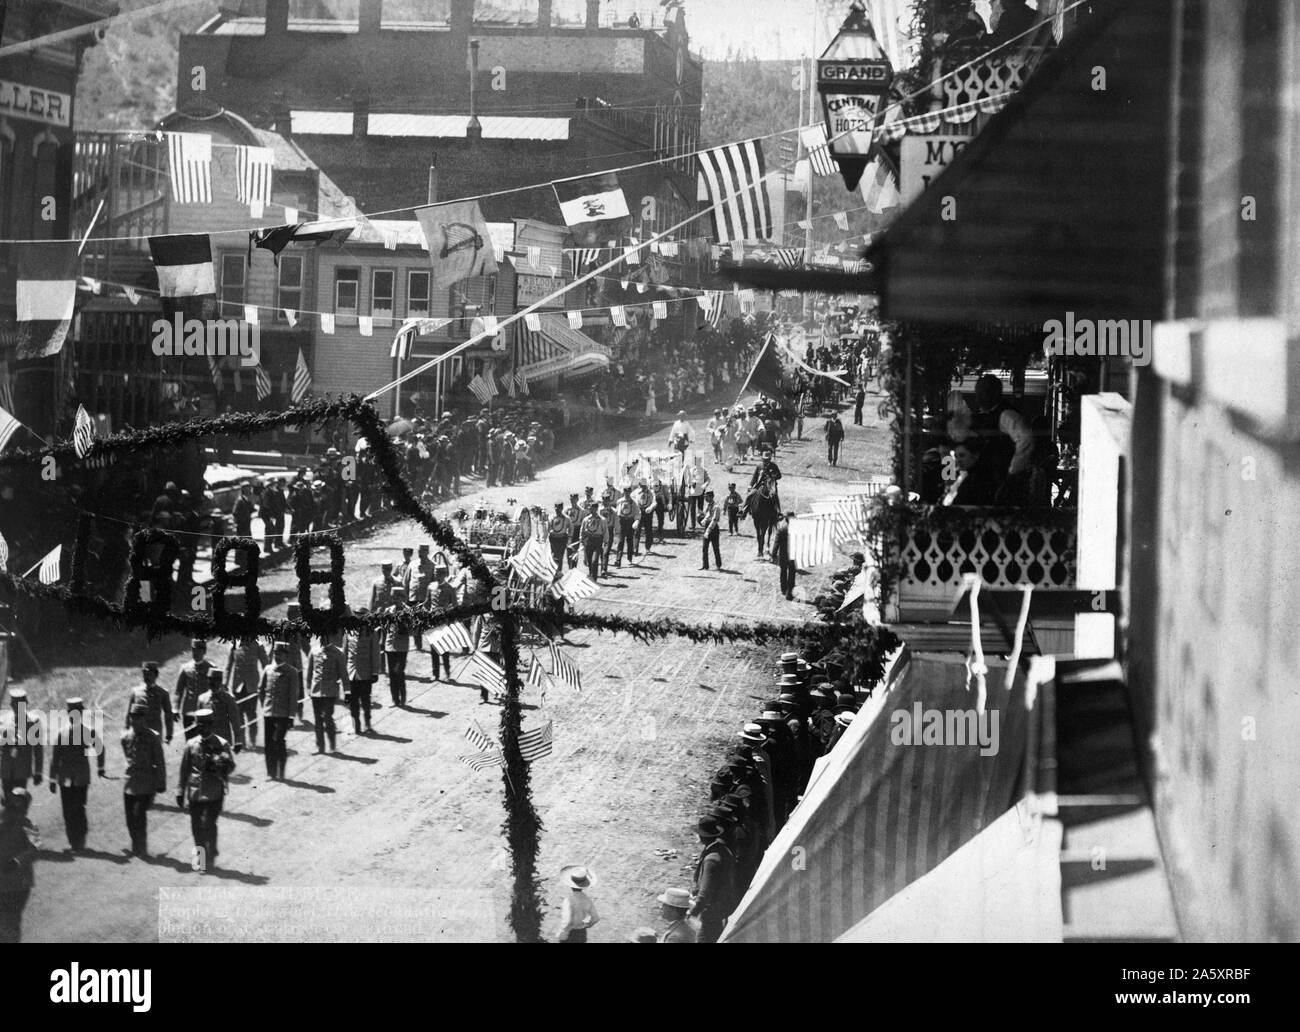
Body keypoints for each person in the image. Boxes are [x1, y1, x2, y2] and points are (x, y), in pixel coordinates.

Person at [177, 709, 235, 873]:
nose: (201, 728)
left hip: (214, 791)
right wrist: (180, 791)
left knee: (209, 824)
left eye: (204, 725)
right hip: (195, 792)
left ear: (211, 725)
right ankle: (201, 860)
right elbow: (184, 769)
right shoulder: (191, 744)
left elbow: (231, 766)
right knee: (197, 827)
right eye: (199, 725)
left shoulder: (221, 744)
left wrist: (221, 767)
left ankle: (210, 855)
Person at [47, 698, 105, 852]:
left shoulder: (88, 731)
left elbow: (100, 748)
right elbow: (55, 758)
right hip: (65, 778)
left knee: (79, 808)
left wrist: (101, 767)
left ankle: (80, 840)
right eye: (72, 712)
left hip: (81, 777)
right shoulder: (62, 733)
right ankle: (73, 841)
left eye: (77, 712)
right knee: (67, 810)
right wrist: (52, 779)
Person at [120, 707, 166, 858]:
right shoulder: (126, 737)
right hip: (130, 783)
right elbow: (127, 755)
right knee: (129, 818)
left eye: (139, 718)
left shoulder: (153, 737)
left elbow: (160, 761)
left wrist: (160, 783)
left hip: (146, 783)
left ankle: (142, 847)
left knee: (139, 814)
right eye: (133, 717)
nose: (135, 721)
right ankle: (135, 844)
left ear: (144, 719)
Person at [690, 816, 736, 944]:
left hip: (711, 912)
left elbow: (705, 892)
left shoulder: (711, 859)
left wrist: (692, 912)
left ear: (702, 837)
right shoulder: (722, 849)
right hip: (722, 907)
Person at [258, 642, 301, 781]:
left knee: (279, 741)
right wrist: (265, 706)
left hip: (283, 714)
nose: (278, 656)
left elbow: (294, 696)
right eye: (276, 653)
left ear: (286, 655)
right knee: (269, 743)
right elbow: (261, 690)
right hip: (269, 712)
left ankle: (281, 771)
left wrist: (291, 716)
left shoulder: (292, 672)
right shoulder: (268, 669)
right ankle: (271, 773)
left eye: (281, 654)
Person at [0, 789, 38, 943]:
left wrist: (16, 862)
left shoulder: (27, 825)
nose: (15, 804)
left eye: (19, 801)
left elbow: (35, 849)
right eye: (13, 800)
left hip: (17, 885)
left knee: (10, 923)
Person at [307, 633, 349, 754]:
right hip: (316, 692)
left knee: (328, 718)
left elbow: (343, 674)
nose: (324, 639)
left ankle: (332, 745)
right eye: (322, 637)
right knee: (317, 720)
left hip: (330, 691)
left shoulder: (338, 653)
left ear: (330, 637)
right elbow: (310, 672)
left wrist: (347, 692)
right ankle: (320, 747)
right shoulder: (314, 651)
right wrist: (309, 688)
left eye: (326, 637)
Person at [345, 609, 382, 733]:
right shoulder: (349, 632)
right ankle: (356, 724)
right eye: (356, 616)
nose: (358, 619)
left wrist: (375, 672)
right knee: (353, 701)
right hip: (351, 673)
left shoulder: (372, 633)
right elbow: (345, 653)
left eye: (361, 616)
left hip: (366, 674)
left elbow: (375, 653)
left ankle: (367, 723)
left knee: (366, 701)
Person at [0, 690, 43, 800]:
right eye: (14, 704)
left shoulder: (33, 721)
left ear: (25, 704)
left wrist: (38, 771)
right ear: (11, 704)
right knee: (8, 800)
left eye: (19, 704)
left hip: (22, 770)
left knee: (19, 801)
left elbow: (38, 749)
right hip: (6, 769)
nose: (16, 707)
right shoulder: (3, 720)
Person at [224, 639, 265, 748]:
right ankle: (241, 742)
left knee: (251, 715)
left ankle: (253, 741)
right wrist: (225, 684)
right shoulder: (234, 645)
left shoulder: (258, 645)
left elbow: (266, 665)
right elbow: (228, 667)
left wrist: (265, 684)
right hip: (237, 688)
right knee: (238, 716)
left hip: (252, 687)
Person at [199, 669, 245, 754]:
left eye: (214, 680)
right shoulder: (202, 699)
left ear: (220, 682)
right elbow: (198, 722)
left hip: (223, 740)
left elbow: (235, 722)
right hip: (206, 740)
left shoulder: (228, 699)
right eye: (209, 679)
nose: (211, 683)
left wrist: (238, 741)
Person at [127, 661, 174, 743]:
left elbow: (168, 715)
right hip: (138, 733)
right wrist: (127, 729)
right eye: (145, 674)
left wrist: (169, 734)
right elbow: (129, 714)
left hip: (155, 733)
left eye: (149, 674)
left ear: (156, 675)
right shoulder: (135, 692)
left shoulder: (163, 693)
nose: (146, 677)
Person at [174, 638, 212, 735]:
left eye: (199, 650)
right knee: (190, 741)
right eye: (194, 650)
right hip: (189, 711)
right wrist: (175, 708)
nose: (196, 652)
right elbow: (179, 691)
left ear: (204, 651)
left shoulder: (211, 668)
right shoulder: (185, 668)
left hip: (205, 711)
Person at [554, 866, 600, 942]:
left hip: (570, 932)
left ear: (570, 884)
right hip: (581, 933)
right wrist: (587, 925)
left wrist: (563, 932)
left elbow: (567, 919)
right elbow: (596, 918)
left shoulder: (568, 900)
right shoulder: (587, 899)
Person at [385, 593, 413, 707]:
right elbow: (384, 626)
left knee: (399, 671)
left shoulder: (408, 611)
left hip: (402, 646)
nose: (396, 599)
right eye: (394, 597)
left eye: (398, 597)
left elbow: (413, 629)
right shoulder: (389, 610)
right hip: (390, 645)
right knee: (392, 674)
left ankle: (403, 697)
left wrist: (405, 629)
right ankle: (395, 699)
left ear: (403, 598)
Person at [580, 503, 606, 582]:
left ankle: (594, 577)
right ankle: (591, 573)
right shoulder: (586, 519)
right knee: (589, 560)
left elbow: (605, 531)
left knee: (595, 560)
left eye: (592, 508)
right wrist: (581, 539)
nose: (591, 510)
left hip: (597, 541)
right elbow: (582, 530)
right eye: (590, 508)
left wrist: (606, 541)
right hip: (588, 541)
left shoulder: (602, 520)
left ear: (596, 509)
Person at [773, 511, 796, 600]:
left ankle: (783, 589)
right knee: (792, 574)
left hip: (783, 555)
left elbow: (776, 543)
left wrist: (774, 554)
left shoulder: (781, 528)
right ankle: (789, 593)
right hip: (793, 555)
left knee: (783, 572)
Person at [700, 490, 723, 571]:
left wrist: (708, 531)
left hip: (713, 529)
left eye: (707, 497)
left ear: (711, 497)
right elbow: (707, 515)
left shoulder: (716, 507)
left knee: (715, 548)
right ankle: (705, 565)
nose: (705, 498)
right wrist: (703, 520)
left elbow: (714, 520)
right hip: (707, 527)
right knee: (704, 548)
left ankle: (718, 565)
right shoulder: (708, 506)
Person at [614, 487, 637, 567]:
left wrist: (636, 521)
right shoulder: (619, 501)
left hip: (630, 521)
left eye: (628, 492)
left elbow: (637, 512)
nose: (627, 493)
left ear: (630, 492)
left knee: (630, 541)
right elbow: (617, 513)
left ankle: (629, 558)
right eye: (625, 491)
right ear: (623, 492)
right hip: (622, 521)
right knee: (621, 541)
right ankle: (618, 560)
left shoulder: (633, 502)